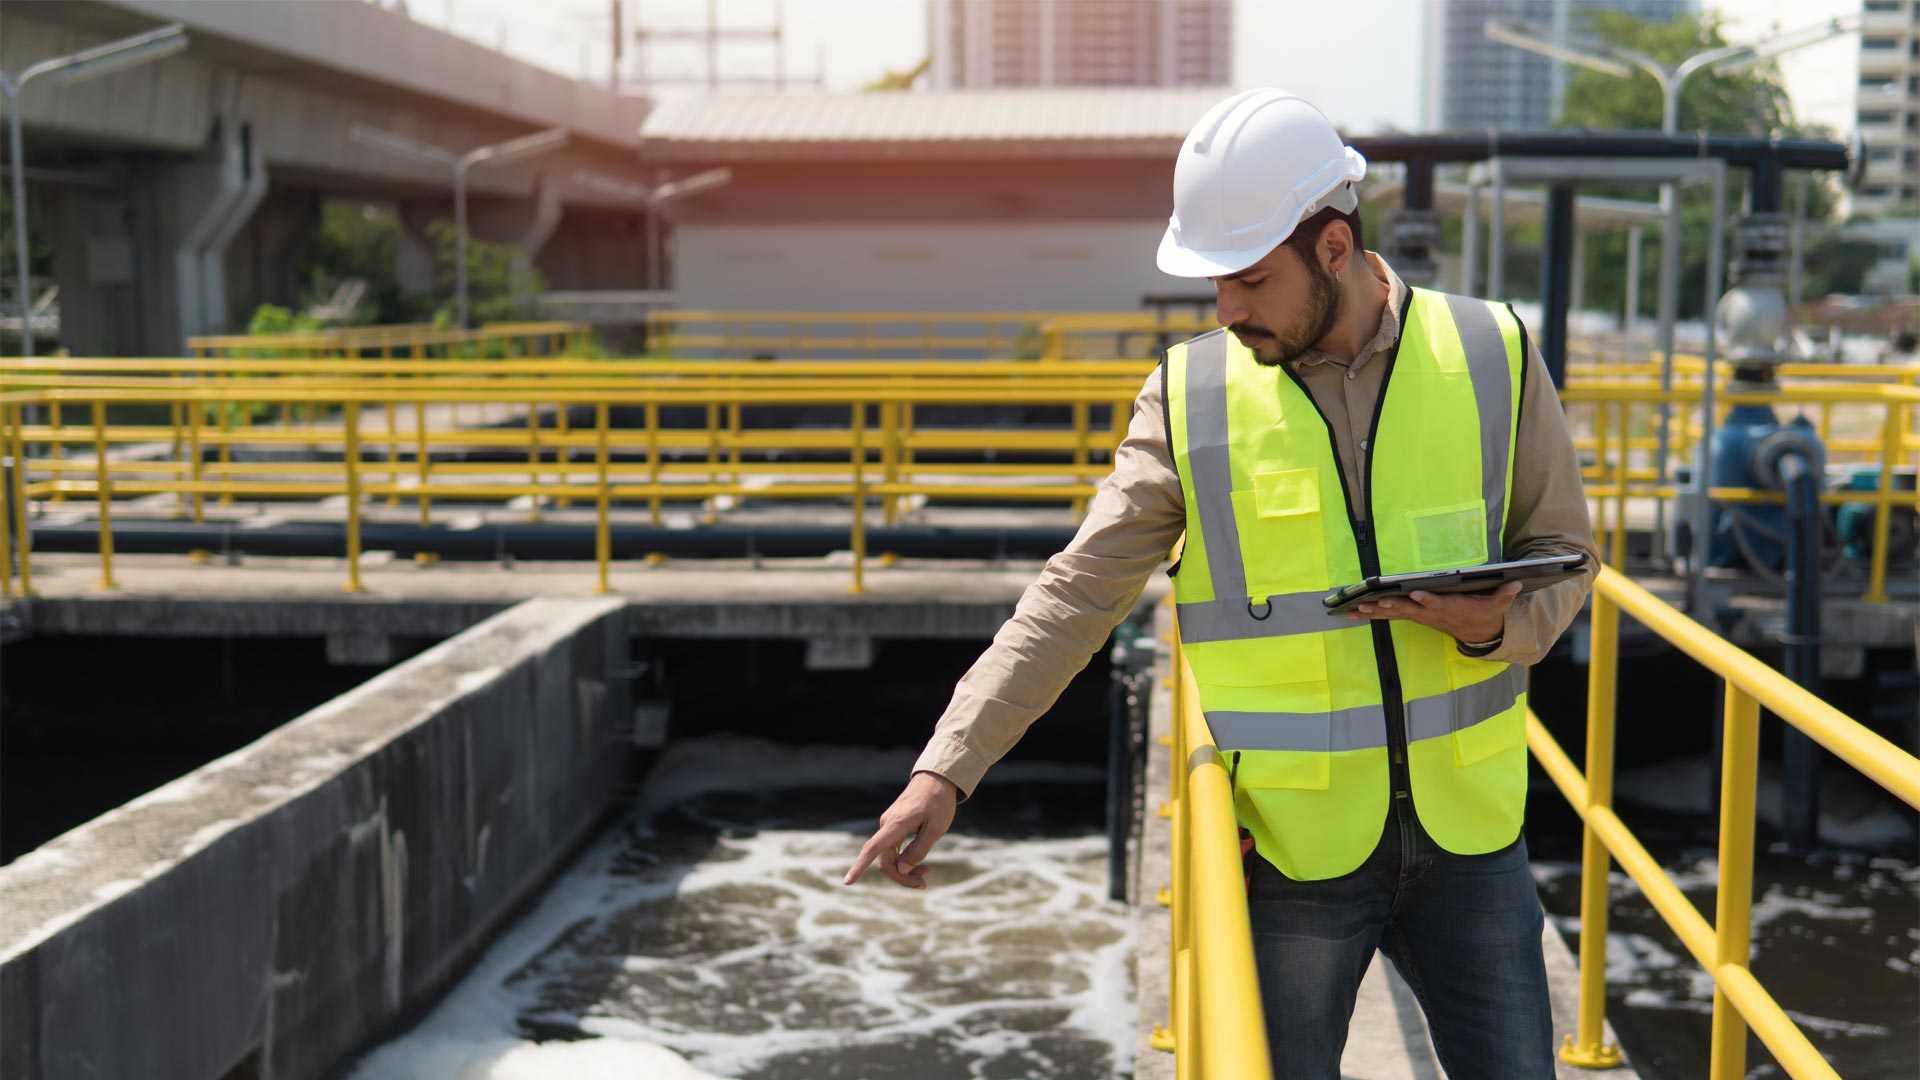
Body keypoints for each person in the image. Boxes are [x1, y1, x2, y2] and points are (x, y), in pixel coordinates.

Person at [843, 88, 1598, 1079]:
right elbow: (1075, 599)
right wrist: (948, 769)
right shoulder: (1190, 398)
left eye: (1247, 279)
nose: (1226, 310)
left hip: (1474, 844)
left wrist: (1492, 630)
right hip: (1296, 857)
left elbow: (1566, 554)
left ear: (1334, 245)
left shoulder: (1493, 353)